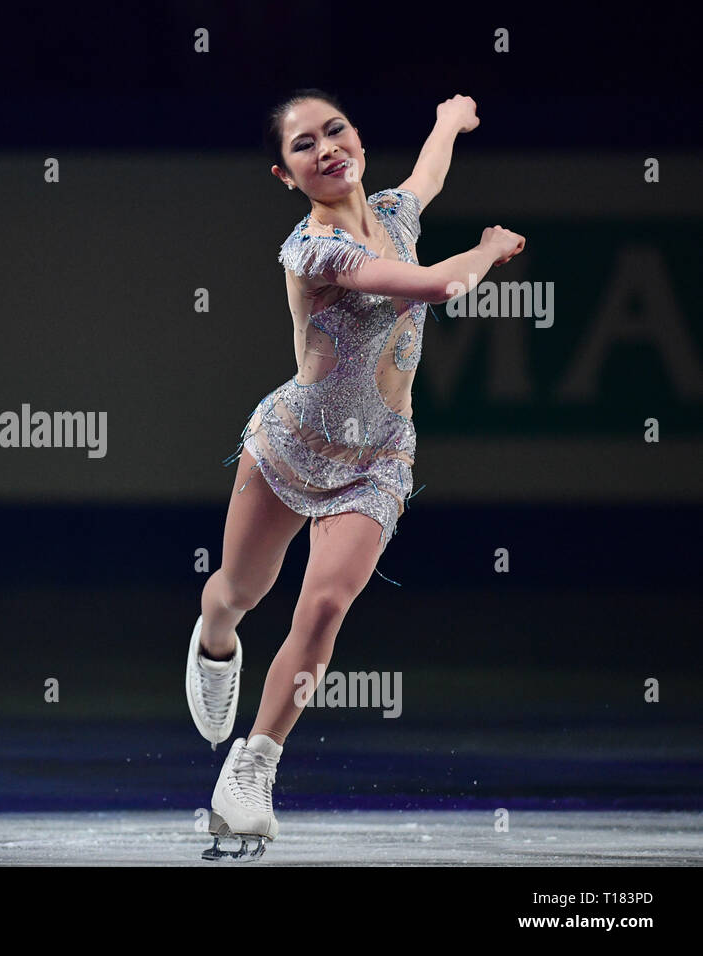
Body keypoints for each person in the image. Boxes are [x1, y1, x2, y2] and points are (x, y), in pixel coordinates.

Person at [185, 90, 525, 859]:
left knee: (326, 604)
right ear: (285, 173)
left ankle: (254, 767)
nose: (326, 148)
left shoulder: (394, 214)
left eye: (335, 131)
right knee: (241, 591)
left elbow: (426, 180)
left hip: (377, 458)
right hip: (293, 445)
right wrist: (488, 247)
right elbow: (441, 286)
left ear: (359, 139)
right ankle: (214, 638)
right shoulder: (314, 250)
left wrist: (447, 120)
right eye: (305, 145)